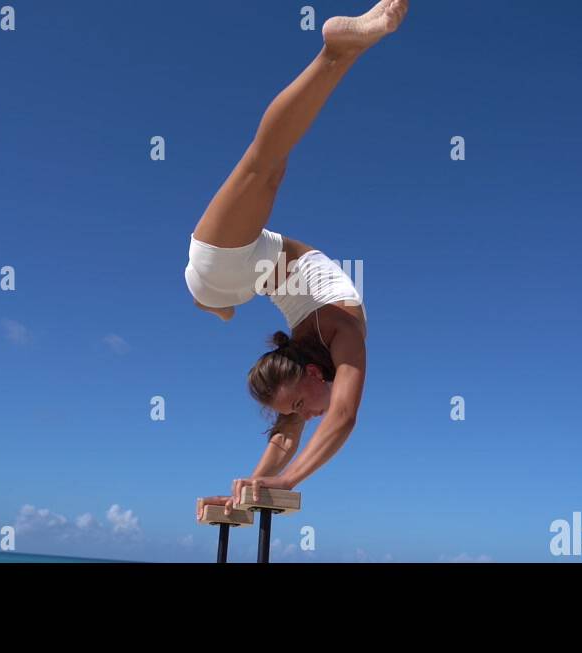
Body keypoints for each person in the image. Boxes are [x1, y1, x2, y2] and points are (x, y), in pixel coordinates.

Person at [190, 0, 409, 520]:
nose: (302, 416)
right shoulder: (340, 337)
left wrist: (269, 481)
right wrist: (269, 481)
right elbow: (343, 418)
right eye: (298, 409)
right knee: (263, 170)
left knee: (263, 169)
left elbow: (314, 426)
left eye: (293, 408)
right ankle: (335, 56)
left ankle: (337, 54)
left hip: (227, 271)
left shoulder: (323, 348)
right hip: (237, 276)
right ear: (314, 372)